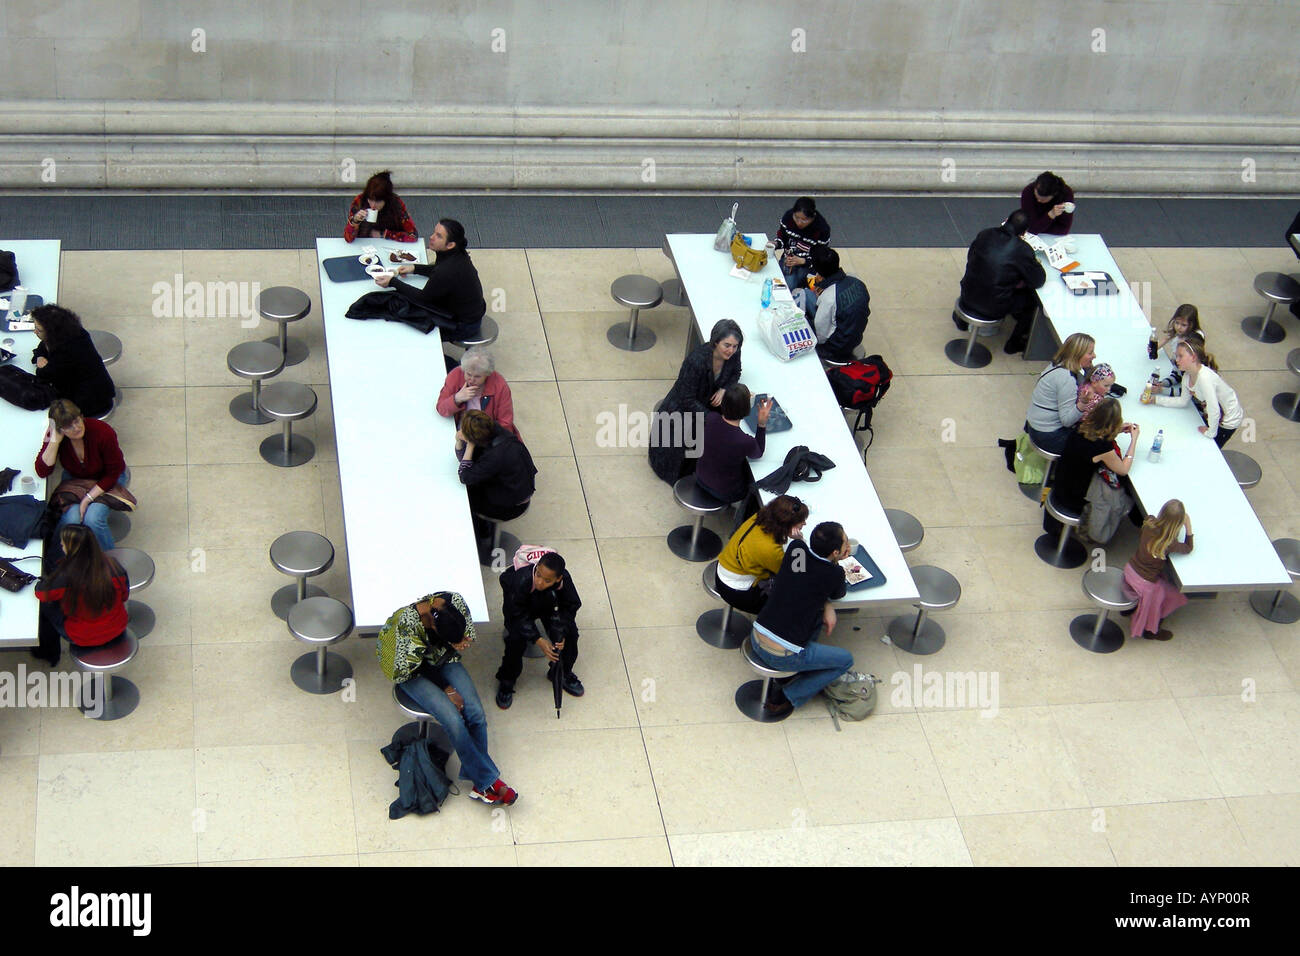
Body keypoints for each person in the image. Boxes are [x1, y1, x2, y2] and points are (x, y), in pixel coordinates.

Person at [378, 591, 518, 805]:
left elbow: (465, 631)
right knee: (453, 720)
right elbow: (417, 665)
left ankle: (481, 782)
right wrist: (448, 689)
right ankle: (488, 782)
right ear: (433, 628)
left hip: (442, 656)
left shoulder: (454, 601)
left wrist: (459, 641)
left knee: (476, 714)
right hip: (412, 670)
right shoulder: (407, 624)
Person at [750, 521, 853, 717]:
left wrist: (825, 604)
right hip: (783, 656)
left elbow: (803, 576)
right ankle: (789, 696)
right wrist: (836, 565)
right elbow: (837, 593)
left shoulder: (797, 549)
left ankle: (796, 673)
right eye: (845, 543)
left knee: (812, 617)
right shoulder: (835, 573)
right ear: (835, 552)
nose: (847, 545)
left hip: (757, 636)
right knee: (846, 660)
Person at [649, 319, 742, 485]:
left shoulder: (734, 354)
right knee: (679, 457)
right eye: (727, 345)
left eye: (735, 346)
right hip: (681, 412)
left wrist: (724, 389)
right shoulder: (695, 362)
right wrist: (714, 421)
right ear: (715, 342)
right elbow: (687, 399)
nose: (731, 350)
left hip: (705, 407)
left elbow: (736, 372)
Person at [35, 399, 134, 554]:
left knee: (93, 519)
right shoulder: (54, 435)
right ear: (59, 429)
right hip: (76, 481)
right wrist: (54, 441)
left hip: (107, 479)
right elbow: (42, 470)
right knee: (70, 520)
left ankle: (109, 566)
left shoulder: (103, 432)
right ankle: (55, 562)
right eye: (68, 426)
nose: (76, 428)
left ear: (81, 416)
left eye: (77, 420)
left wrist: (88, 498)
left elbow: (113, 472)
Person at [494, 551, 583, 709]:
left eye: (547, 580)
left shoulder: (565, 580)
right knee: (515, 641)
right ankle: (507, 681)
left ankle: (562, 673)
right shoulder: (520, 580)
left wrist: (560, 631)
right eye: (538, 574)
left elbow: (571, 605)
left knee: (571, 635)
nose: (540, 581)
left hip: (550, 605)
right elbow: (516, 613)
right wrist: (538, 639)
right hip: (522, 606)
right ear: (536, 568)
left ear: (558, 579)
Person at [1043, 397, 1138, 542]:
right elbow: (1123, 469)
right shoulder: (1103, 448)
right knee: (1119, 493)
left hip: (1061, 483)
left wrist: (1116, 430)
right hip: (1075, 497)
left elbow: (1096, 434)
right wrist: (1134, 440)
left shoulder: (1081, 427)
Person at [34, 525, 129, 667]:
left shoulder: (65, 576)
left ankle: (48, 653)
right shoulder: (114, 566)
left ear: (72, 547)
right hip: (117, 626)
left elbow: (41, 593)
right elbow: (124, 596)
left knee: (45, 608)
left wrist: (45, 580)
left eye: (63, 542)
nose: (61, 544)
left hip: (82, 636)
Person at [375, 218, 486, 340]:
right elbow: (437, 270)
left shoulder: (447, 270)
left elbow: (423, 299)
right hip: (472, 314)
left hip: (463, 326)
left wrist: (393, 282)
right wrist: (414, 268)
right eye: (434, 232)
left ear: (450, 245)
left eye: (439, 236)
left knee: (407, 326)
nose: (431, 237)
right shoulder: (458, 254)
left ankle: (447, 360)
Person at [956, 209, 1048, 354]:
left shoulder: (984, 234)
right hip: (993, 308)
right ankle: (1014, 343)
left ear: (1006, 220)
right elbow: (1038, 280)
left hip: (967, 293)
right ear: (1024, 233)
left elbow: (971, 257)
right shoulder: (1022, 250)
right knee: (1032, 302)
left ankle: (961, 321)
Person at [715, 494, 809, 614]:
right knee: (795, 600)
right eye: (801, 521)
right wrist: (799, 543)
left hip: (725, 569)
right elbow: (796, 573)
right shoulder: (769, 549)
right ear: (786, 524)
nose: (804, 524)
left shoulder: (760, 518)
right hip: (735, 592)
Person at [455, 409, 536, 547]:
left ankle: (481, 535)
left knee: (467, 496)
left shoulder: (493, 458)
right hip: (521, 488)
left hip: (511, 505)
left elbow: (465, 475)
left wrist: (465, 444)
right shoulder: (498, 431)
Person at [1149, 339, 1243, 447]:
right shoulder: (1187, 377)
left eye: (1180, 356)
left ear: (1193, 357)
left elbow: (1214, 409)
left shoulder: (1204, 378)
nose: (1177, 360)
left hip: (1228, 420)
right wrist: (1155, 400)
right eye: (1176, 356)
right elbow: (1182, 401)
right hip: (1213, 415)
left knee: (1211, 447)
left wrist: (1210, 432)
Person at [1122, 500, 1193, 641]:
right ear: (1177, 524)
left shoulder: (1149, 523)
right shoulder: (1169, 544)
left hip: (1131, 569)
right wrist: (1188, 527)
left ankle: (1133, 608)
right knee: (1174, 596)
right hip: (1145, 583)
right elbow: (1188, 548)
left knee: (1163, 584)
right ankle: (1151, 629)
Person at [28, 304, 116, 419]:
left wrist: (42, 367)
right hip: (98, 388)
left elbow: (44, 375)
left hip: (90, 402)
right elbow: (43, 346)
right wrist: (40, 356)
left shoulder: (67, 351)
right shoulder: (72, 332)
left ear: (52, 333)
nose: (35, 332)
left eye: (39, 330)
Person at [695, 384, 771, 505]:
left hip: (700, 476)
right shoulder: (745, 441)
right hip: (725, 492)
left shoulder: (711, 418)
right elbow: (758, 453)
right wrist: (761, 424)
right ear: (747, 409)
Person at [1023, 332, 1097, 454]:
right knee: (1094, 445)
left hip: (1035, 423)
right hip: (1047, 435)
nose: (1094, 356)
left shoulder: (1057, 364)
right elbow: (1067, 421)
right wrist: (1083, 404)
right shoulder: (1066, 379)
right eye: (1090, 353)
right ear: (1077, 355)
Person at [436, 345, 518, 438]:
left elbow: (505, 424)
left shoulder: (500, 387)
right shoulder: (455, 375)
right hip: (459, 433)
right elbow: (441, 409)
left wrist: (480, 437)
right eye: (468, 374)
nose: (471, 379)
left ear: (487, 374)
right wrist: (456, 398)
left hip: (485, 436)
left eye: (477, 376)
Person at [807, 246, 871, 364]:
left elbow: (821, 335)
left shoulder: (829, 297)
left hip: (834, 349)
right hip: (856, 339)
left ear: (819, 274)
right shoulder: (857, 282)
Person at [343, 170, 418, 243]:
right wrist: (355, 222)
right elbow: (348, 238)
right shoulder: (359, 201)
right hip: (364, 246)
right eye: (370, 200)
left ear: (386, 199)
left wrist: (385, 234)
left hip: (390, 246)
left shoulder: (396, 205)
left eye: (378, 201)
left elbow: (413, 235)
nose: (372, 205)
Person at [774, 196, 831, 293]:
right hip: (788, 259)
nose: (799, 223)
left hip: (807, 266)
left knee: (789, 286)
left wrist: (803, 261)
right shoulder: (788, 217)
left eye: (804, 220)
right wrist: (776, 243)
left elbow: (821, 257)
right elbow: (782, 237)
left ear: (812, 217)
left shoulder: (821, 229)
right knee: (776, 281)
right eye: (796, 218)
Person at [1019, 171, 1075, 236]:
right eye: (1036, 197)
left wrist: (1039, 225)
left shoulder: (1066, 193)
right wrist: (1050, 215)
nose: (1039, 201)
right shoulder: (1028, 192)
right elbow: (1030, 228)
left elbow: (1064, 229)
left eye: (1043, 200)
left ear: (1054, 195)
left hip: (1054, 237)